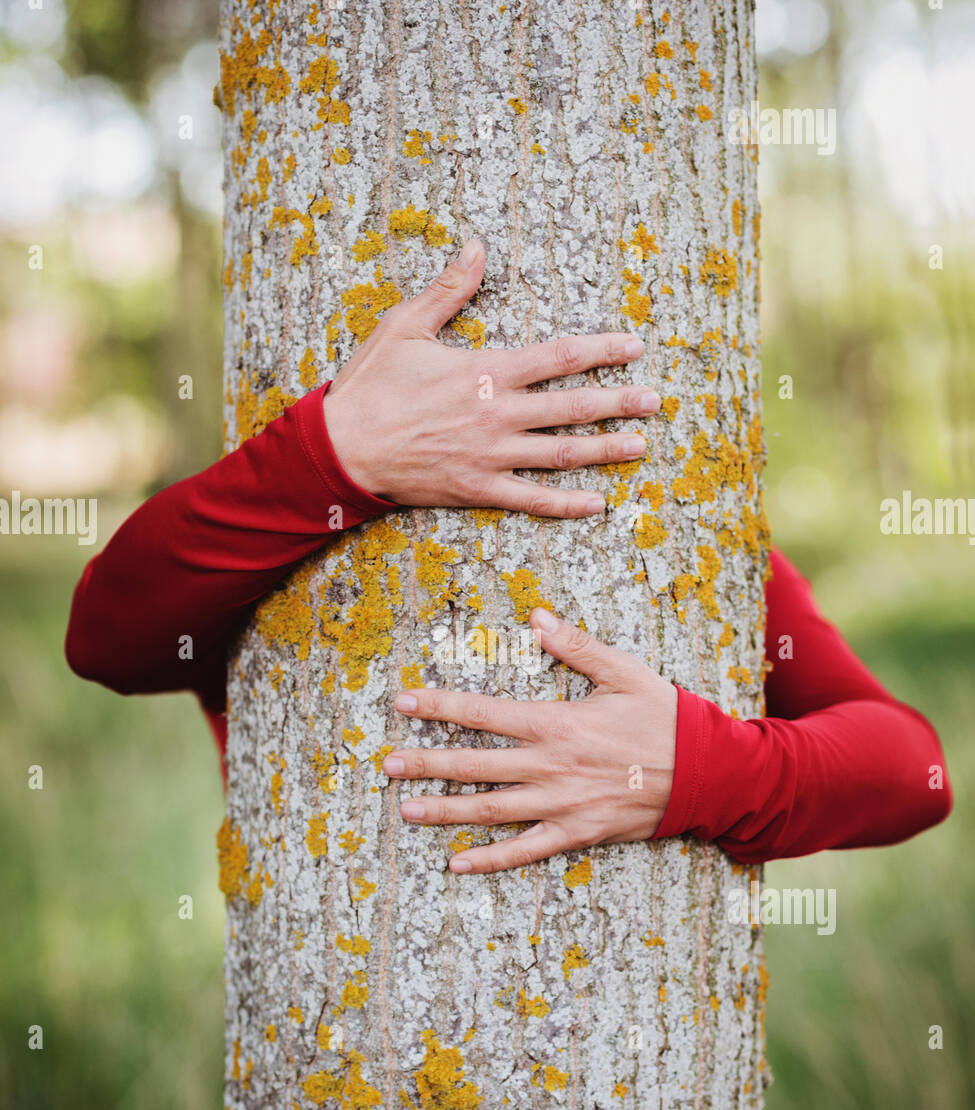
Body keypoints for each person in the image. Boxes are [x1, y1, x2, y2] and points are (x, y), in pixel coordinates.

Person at [65, 239, 952, 875]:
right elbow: (105, 639)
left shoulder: (696, 542)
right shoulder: (268, 519)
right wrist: (340, 455)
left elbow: (914, 771)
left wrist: (701, 770)